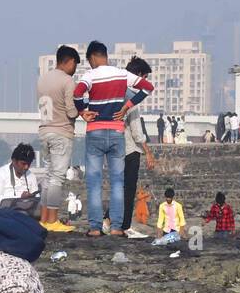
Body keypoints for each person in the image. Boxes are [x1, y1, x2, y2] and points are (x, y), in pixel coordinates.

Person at [75, 44, 154, 238]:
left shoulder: (90, 75)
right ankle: (117, 228)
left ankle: (95, 228)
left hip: (95, 132)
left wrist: (82, 112)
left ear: (92, 58)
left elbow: (77, 93)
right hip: (117, 133)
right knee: (118, 182)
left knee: (94, 182)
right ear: (105, 55)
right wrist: (127, 106)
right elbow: (147, 87)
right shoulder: (121, 74)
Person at [36, 45, 80, 232]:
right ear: (69, 61)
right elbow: (71, 111)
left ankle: (44, 218)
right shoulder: (68, 81)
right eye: (75, 64)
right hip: (61, 132)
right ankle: (53, 220)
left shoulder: (42, 80)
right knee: (57, 177)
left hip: (45, 130)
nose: (75, 68)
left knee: (48, 176)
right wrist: (82, 110)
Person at [121, 104, 155, 238]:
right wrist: (148, 152)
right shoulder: (131, 104)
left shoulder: (113, 98)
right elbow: (137, 133)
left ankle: (110, 221)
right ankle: (125, 226)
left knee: (120, 188)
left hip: (116, 150)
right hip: (131, 149)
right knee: (129, 190)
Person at [0, 143, 41, 211]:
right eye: (23, 163)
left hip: (27, 212)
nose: (26, 167)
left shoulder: (31, 176)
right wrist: (20, 199)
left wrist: (30, 199)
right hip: (4, 212)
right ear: (14, 161)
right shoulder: (0, 173)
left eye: (29, 164)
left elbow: (37, 198)